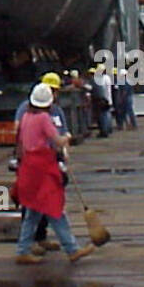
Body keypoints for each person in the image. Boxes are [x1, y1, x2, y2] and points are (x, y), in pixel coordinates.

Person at [14, 83, 95, 265]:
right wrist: (67, 138)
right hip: (43, 169)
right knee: (55, 208)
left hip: (29, 168)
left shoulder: (26, 116)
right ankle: (72, 249)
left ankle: (22, 250)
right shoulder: (43, 118)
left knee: (33, 212)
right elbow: (57, 140)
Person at [14, 73, 69, 251]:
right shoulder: (30, 112)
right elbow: (57, 137)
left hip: (49, 163)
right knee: (40, 206)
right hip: (38, 165)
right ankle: (69, 247)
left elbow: (61, 129)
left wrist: (64, 155)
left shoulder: (56, 111)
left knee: (37, 209)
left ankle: (37, 239)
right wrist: (65, 140)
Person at [92, 65, 113, 137]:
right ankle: (109, 129)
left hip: (103, 99)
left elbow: (101, 89)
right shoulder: (107, 78)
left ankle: (104, 131)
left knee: (103, 116)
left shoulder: (101, 79)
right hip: (108, 99)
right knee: (107, 114)